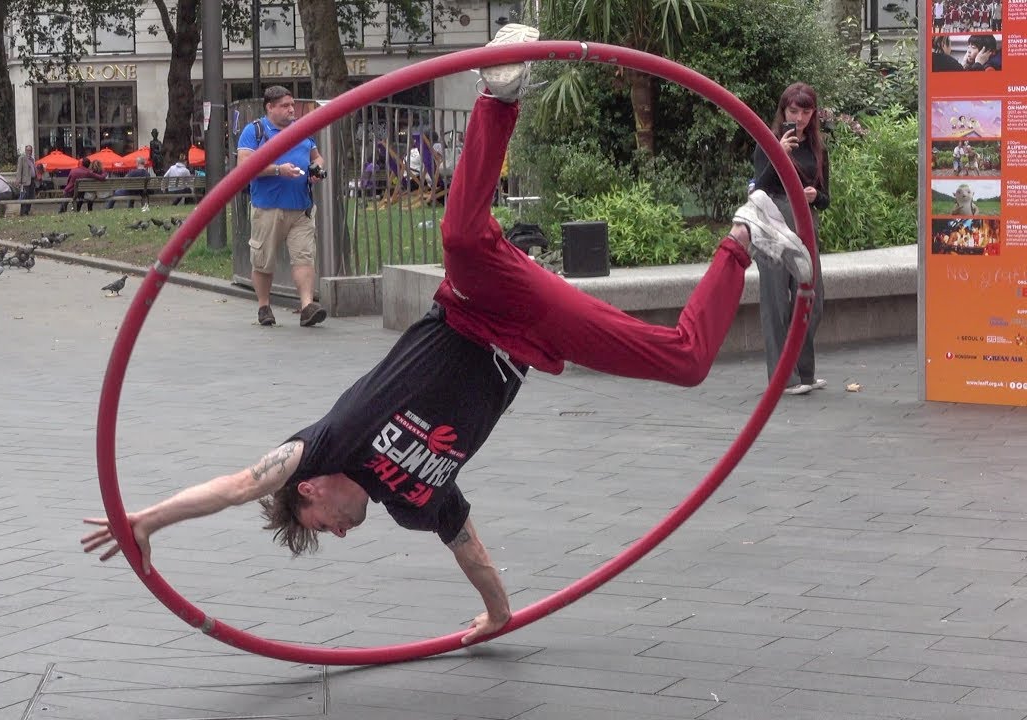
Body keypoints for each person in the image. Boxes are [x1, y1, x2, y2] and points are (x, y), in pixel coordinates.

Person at [81, 25, 814, 645]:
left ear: (311, 487)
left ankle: (499, 91)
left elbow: (244, 485)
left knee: (461, 233)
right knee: (684, 363)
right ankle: (749, 227)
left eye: (323, 524)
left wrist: (150, 518)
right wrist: (498, 617)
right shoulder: (412, 504)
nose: (342, 533)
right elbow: (471, 551)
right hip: (530, 338)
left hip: (475, 304)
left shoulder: (328, 442)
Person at [751, 82, 830, 396]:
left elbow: (827, 198)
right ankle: (784, 377)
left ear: (813, 114)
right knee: (776, 301)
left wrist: (815, 196)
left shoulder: (818, 149)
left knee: (812, 298)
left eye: (805, 111)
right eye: (793, 111)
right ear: (783, 111)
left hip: (804, 223)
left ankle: (805, 372)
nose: (798, 118)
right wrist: (779, 154)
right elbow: (759, 187)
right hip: (772, 219)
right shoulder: (767, 142)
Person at [236, 85, 327, 328]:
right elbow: (244, 166)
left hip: (302, 208)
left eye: (292, 105)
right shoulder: (254, 131)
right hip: (268, 208)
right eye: (285, 106)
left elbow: (316, 157)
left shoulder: (302, 130)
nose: (291, 110)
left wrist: (316, 169)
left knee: (304, 256)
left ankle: (307, 306)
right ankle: (264, 306)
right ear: (270, 107)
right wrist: (278, 170)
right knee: (264, 260)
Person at [14, 144, 38, 216]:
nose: (29, 152)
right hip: (25, 181)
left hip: (32, 180)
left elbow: (33, 168)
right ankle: (23, 212)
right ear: (25, 150)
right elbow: (19, 170)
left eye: (30, 150)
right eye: (28, 150)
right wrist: (18, 180)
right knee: (25, 196)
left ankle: (27, 211)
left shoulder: (32, 159)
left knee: (31, 196)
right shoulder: (22, 158)